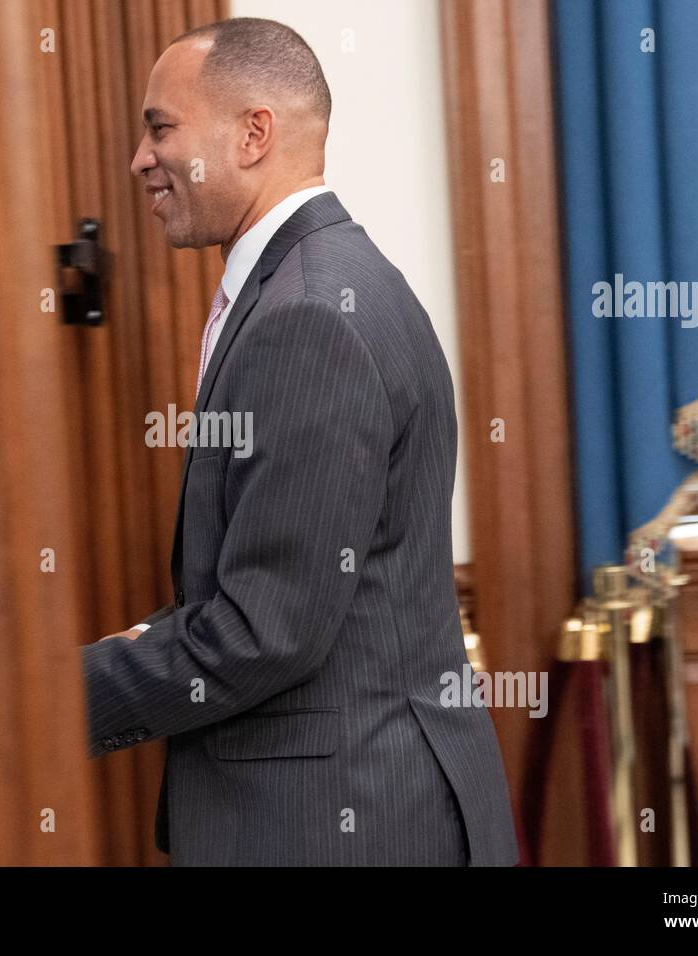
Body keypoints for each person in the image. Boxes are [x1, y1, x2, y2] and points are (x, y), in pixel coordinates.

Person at [81, 16, 518, 866]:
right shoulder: (320, 283)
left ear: (252, 135)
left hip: (341, 820)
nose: (140, 158)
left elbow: (266, 630)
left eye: (160, 127)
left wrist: (53, 698)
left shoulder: (310, 313)